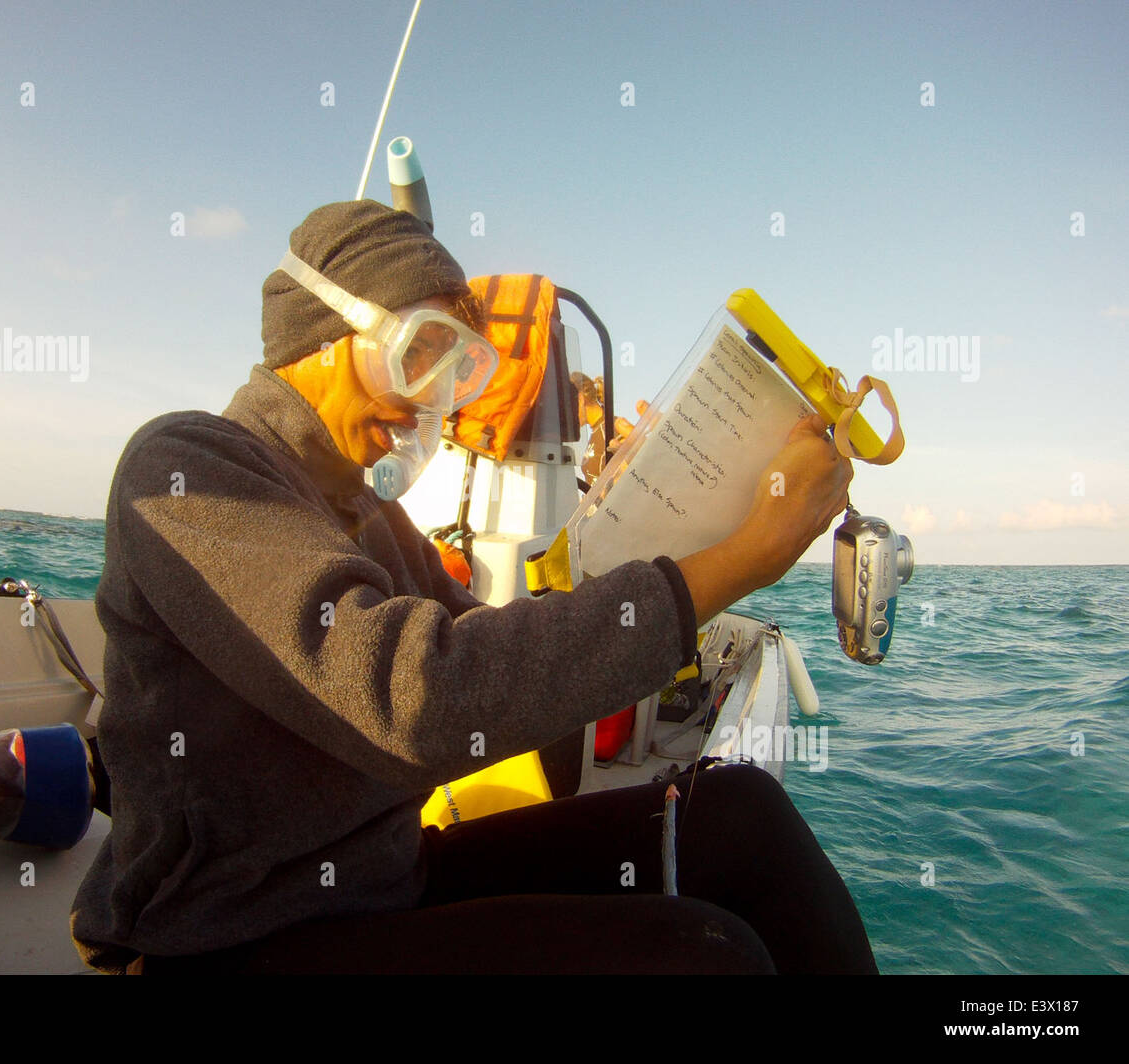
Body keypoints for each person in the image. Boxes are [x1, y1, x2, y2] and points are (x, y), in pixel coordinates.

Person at [70, 200, 876, 974]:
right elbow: (415, 701)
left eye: (461, 371)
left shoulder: (368, 512)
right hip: (234, 936)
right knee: (706, 960)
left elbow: (502, 661)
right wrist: (747, 559)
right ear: (321, 335)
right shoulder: (187, 466)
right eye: (419, 355)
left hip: (387, 883)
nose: (434, 397)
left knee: (741, 820)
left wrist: (640, 508)